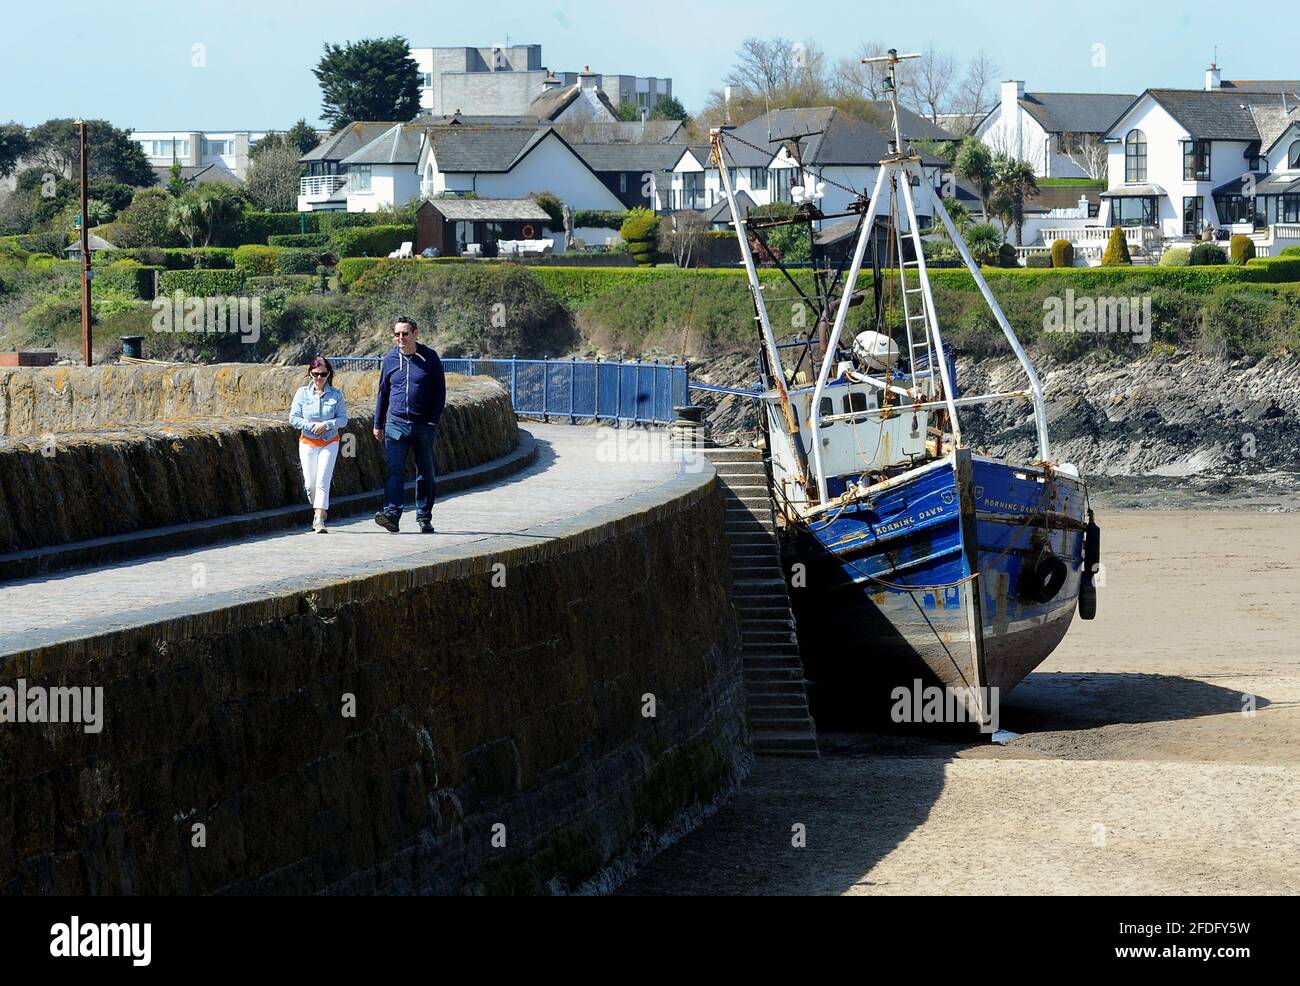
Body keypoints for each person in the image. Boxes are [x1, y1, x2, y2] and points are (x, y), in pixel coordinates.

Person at [373, 316, 446, 533]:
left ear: (415, 334)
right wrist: (378, 423)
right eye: (397, 334)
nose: (401, 338)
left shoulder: (430, 357)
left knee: (425, 472)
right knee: (394, 470)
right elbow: (382, 393)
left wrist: (433, 420)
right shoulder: (389, 360)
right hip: (396, 424)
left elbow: (440, 392)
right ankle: (392, 515)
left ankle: (424, 516)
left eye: (405, 333)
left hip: (424, 425)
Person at [290, 356, 348, 533]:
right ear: (310, 373)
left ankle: (318, 517)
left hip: (329, 441)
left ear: (328, 374)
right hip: (308, 441)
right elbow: (293, 418)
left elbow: (343, 419)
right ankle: (319, 509)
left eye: (323, 374)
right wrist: (310, 426)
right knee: (310, 484)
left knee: (323, 479)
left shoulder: (336, 394)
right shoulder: (302, 393)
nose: (319, 378)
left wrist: (327, 425)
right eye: (315, 374)